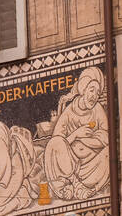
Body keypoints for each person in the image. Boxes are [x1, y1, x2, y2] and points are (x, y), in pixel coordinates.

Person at [42, 67, 109, 200]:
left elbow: (106, 136)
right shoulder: (69, 111)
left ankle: (89, 190)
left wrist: (86, 140)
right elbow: (57, 141)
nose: (94, 96)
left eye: (97, 93)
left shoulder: (97, 109)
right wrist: (76, 134)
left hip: (89, 167)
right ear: (83, 90)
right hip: (69, 167)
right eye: (91, 91)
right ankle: (75, 184)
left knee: (109, 152)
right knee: (54, 143)